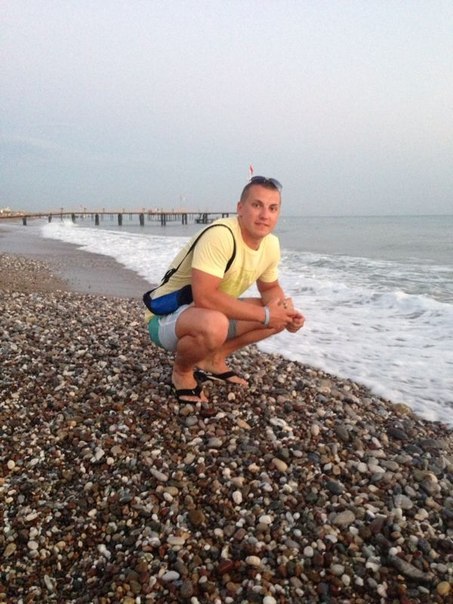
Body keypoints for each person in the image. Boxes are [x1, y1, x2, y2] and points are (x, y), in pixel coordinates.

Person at [146, 176, 305, 403]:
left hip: (209, 314)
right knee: (217, 324)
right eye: (257, 205)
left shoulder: (271, 244)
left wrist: (286, 313)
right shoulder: (221, 235)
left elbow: (270, 287)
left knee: (278, 311)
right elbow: (205, 297)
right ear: (240, 208)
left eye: (273, 208)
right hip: (166, 318)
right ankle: (182, 372)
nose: (265, 215)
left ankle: (214, 358)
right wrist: (266, 314)